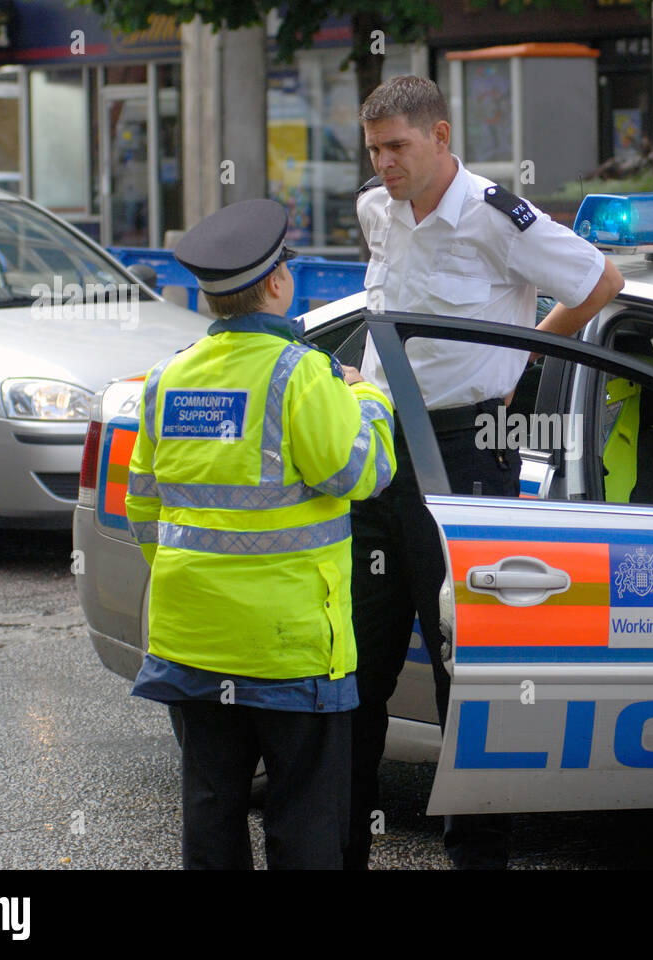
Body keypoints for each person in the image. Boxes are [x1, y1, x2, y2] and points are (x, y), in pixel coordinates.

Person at [347, 75, 624, 870]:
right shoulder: (378, 210)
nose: (385, 164)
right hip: (379, 451)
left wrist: (523, 349)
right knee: (357, 666)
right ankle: (339, 847)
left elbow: (602, 282)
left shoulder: (498, 218)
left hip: (465, 456)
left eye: (397, 147)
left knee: (463, 667)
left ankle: (476, 857)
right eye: (374, 150)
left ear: (441, 137)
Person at [124, 198, 396, 869]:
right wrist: (370, 398)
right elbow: (362, 472)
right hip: (290, 650)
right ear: (278, 283)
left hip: (193, 643)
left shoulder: (167, 379)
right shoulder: (301, 373)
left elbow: (142, 508)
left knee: (211, 813)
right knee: (304, 820)